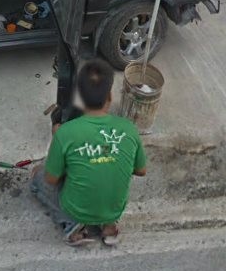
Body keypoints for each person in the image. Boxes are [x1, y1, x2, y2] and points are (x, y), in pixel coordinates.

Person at [32, 60, 147, 247]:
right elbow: (141, 170)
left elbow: (51, 179)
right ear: (109, 96)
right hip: (113, 208)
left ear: (79, 98)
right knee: (111, 172)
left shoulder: (65, 132)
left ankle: (73, 226)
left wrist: (57, 138)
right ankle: (109, 226)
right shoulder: (129, 128)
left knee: (38, 176)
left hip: (77, 209)